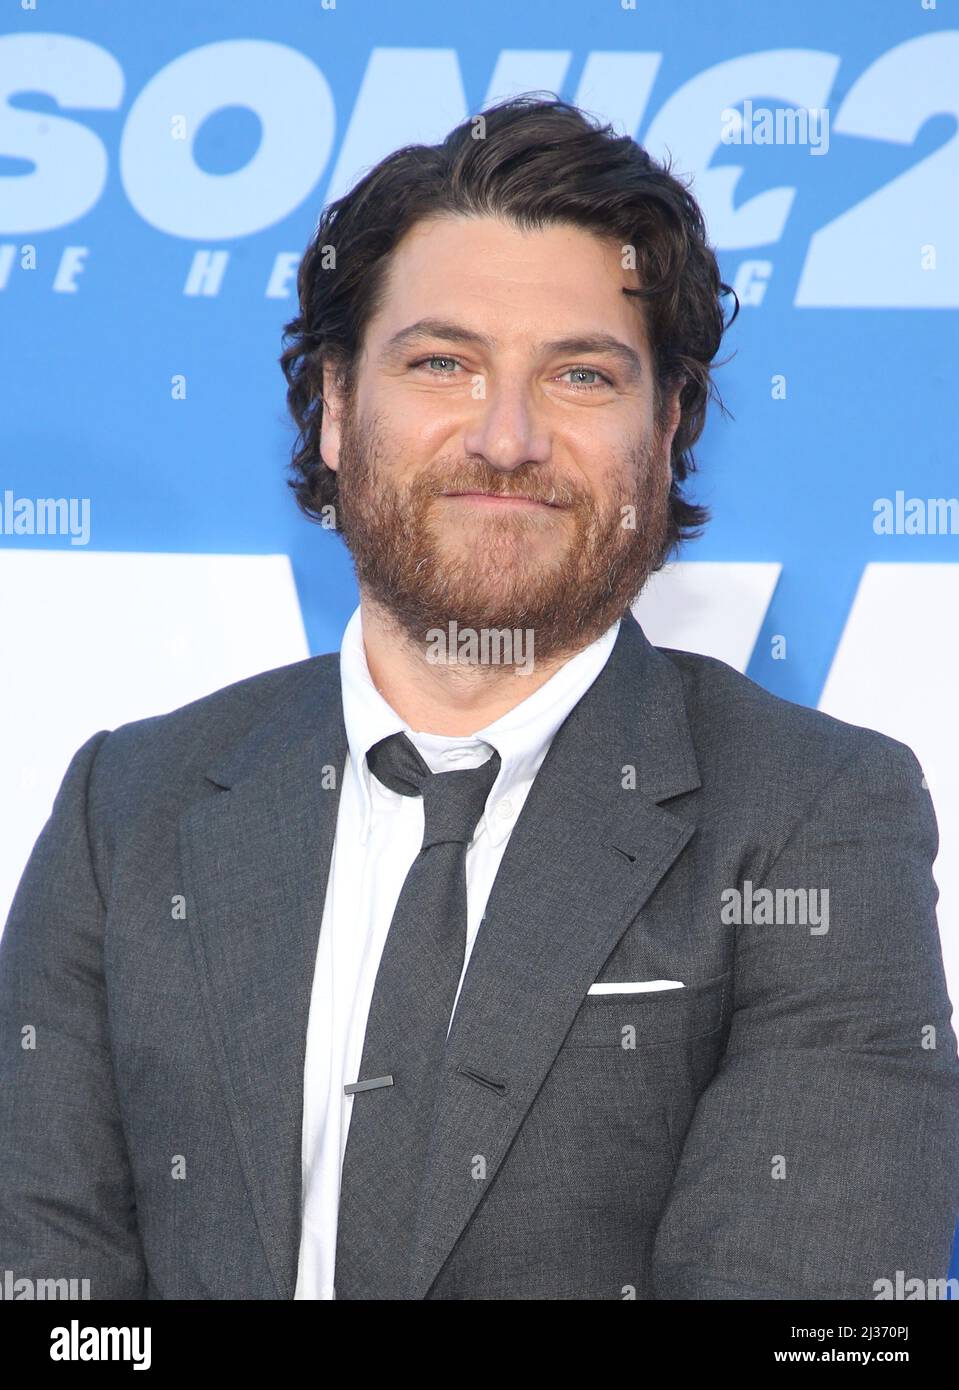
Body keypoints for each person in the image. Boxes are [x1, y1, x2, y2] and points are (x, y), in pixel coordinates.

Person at [1, 96, 957, 1301]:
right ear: (338, 408)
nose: (504, 437)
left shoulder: (816, 818)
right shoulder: (125, 811)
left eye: (577, 374)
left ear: (667, 431)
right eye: (442, 362)